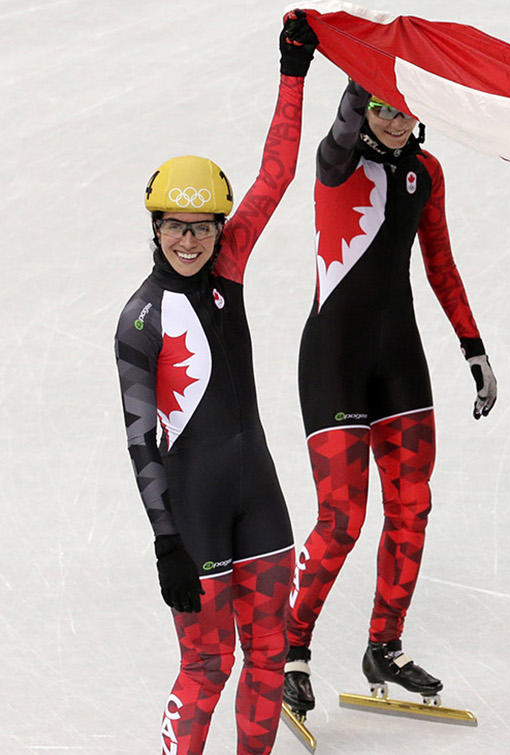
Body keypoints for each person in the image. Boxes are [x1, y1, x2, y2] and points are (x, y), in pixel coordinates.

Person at [113, 12, 317, 755]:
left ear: (219, 228)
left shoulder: (229, 268)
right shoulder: (141, 319)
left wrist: (292, 75)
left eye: (203, 226)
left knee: (267, 658)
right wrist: (166, 540)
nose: (190, 239)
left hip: (258, 499)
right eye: (176, 225)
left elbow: (278, 173)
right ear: (156, 226)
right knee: (208, 663)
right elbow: (141, 444)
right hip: (194, 513)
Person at [283, 78, 498, 713]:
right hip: (334, 358)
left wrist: (473, 347)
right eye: (384, 108)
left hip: (398, 359)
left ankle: (386, 644)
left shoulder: (426, 171)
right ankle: (290, 649)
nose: (397, 122)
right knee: (342, 518)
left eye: (406, 110)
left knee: (412, 508)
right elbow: (346, 117)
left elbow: (441, 263)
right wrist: (362, 62)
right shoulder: (338, 159)